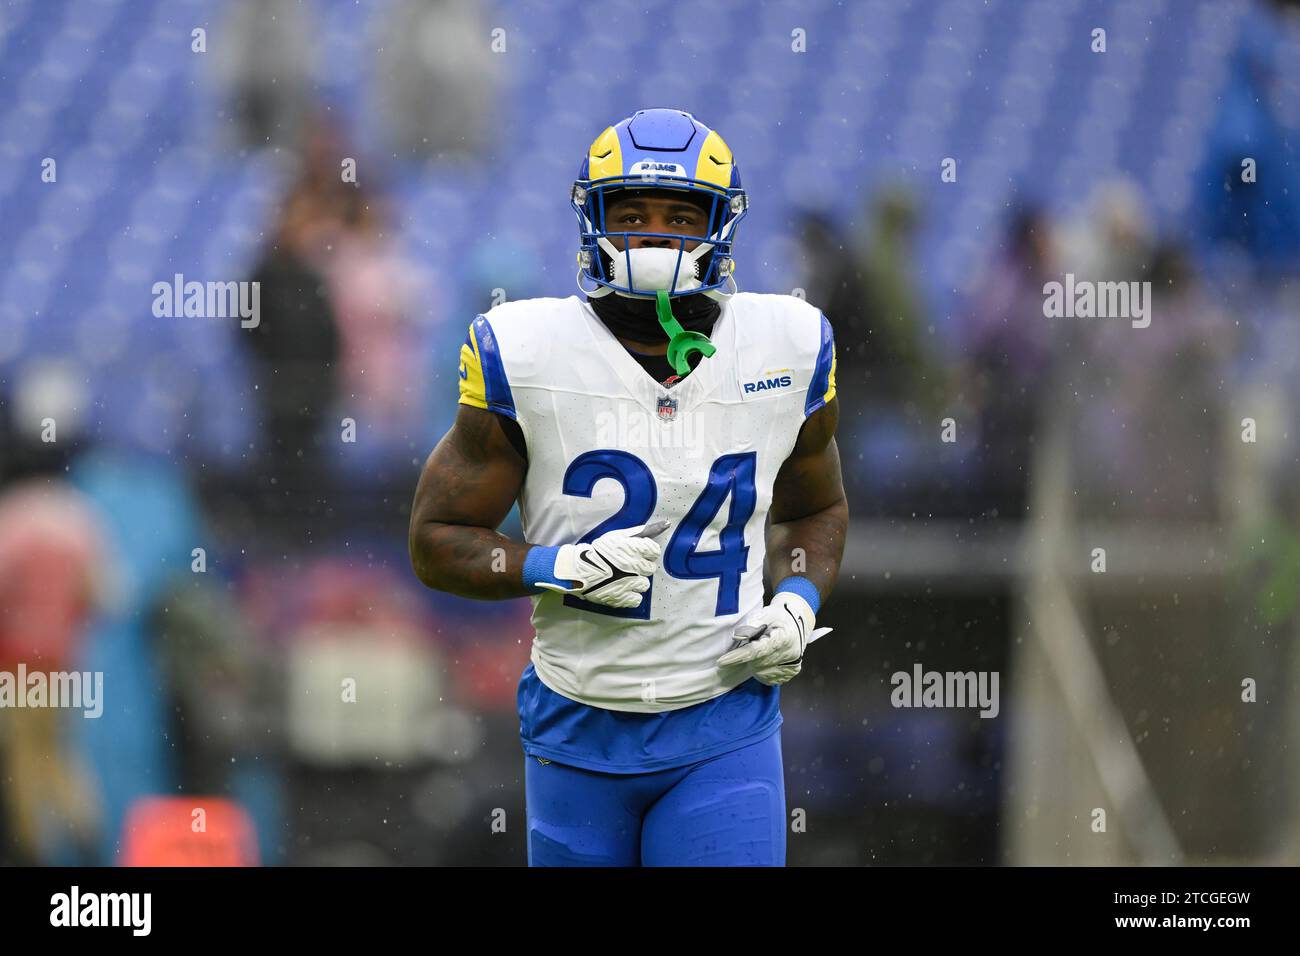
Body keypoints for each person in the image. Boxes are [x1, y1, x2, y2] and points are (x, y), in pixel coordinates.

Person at [408, 109, 848, 866]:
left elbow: (817, 508)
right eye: (632, 213)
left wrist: (798, 601)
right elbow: (436, 542)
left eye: (681, 217)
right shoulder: (526, 351)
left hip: (724, 719)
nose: (655, 235)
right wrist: (549, 567)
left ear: (721, 226)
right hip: (577, 723)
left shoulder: (788, 344)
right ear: (592, 219)